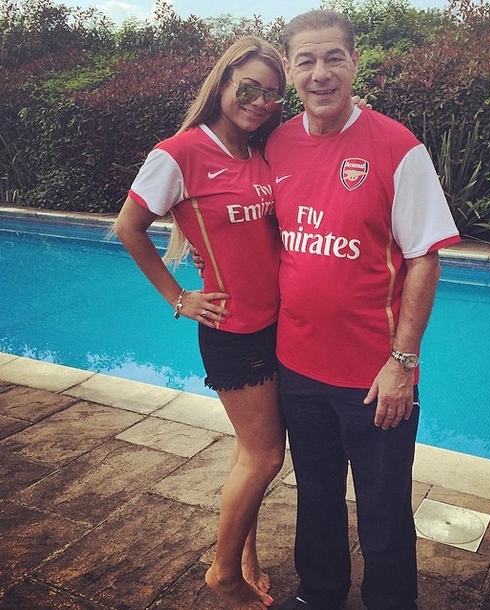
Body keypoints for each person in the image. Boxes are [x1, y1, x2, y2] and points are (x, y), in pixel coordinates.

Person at [264, 10, 461, 610]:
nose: (320, 73)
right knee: (316, 497)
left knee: (383, 508)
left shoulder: (398, 148)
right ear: (289, 70)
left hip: (376, 377)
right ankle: (319, 594)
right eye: (306, 61)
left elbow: (424, 257)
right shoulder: (276, 144)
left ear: (354, 62)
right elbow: (253, 223)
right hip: (298, 367)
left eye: (333, 58)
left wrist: (403, 362)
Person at [114, 36, 288, 610]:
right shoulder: (180, 153)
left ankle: (248, 557)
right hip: (233, 330)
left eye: (272, 95)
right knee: (265, 457)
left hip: (279, 323)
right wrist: (178, 297)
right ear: (222, 83)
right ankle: (223, 574)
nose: (260, 102)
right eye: (249, 88)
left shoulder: (260, 151)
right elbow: (129, 227)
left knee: (249, 450)